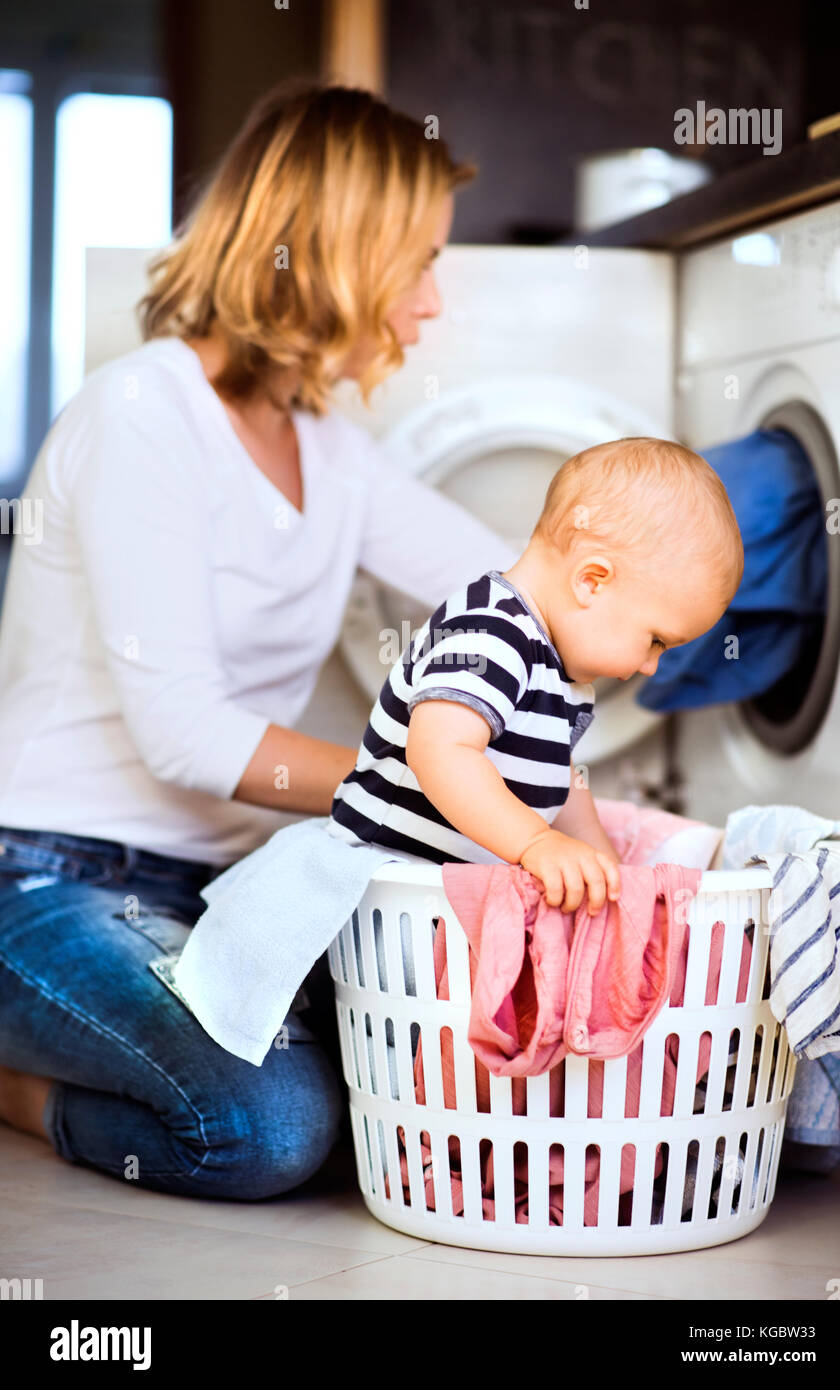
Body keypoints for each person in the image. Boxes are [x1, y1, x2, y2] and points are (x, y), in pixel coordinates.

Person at [0, 83, 518, 1200]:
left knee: (426, 1058)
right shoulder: (145, 415)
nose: (430, 305)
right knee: (267, 1125)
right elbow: (185, 736)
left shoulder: (326, 444)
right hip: (44, 880)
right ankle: (17, 1085)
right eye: (417, 261)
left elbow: (501, 588)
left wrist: (629, 586)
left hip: (219, 885)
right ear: (335, 252)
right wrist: (431, 779)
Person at [329, 436, 744, 910]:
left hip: (447, 907)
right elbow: (440, 751)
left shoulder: (562, 673)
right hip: (384, 891)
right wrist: (534, 842)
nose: (651, 665)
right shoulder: (487, 630)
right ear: (591, 581)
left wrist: (609, 872)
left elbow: (558, 781)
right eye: (655, 641)